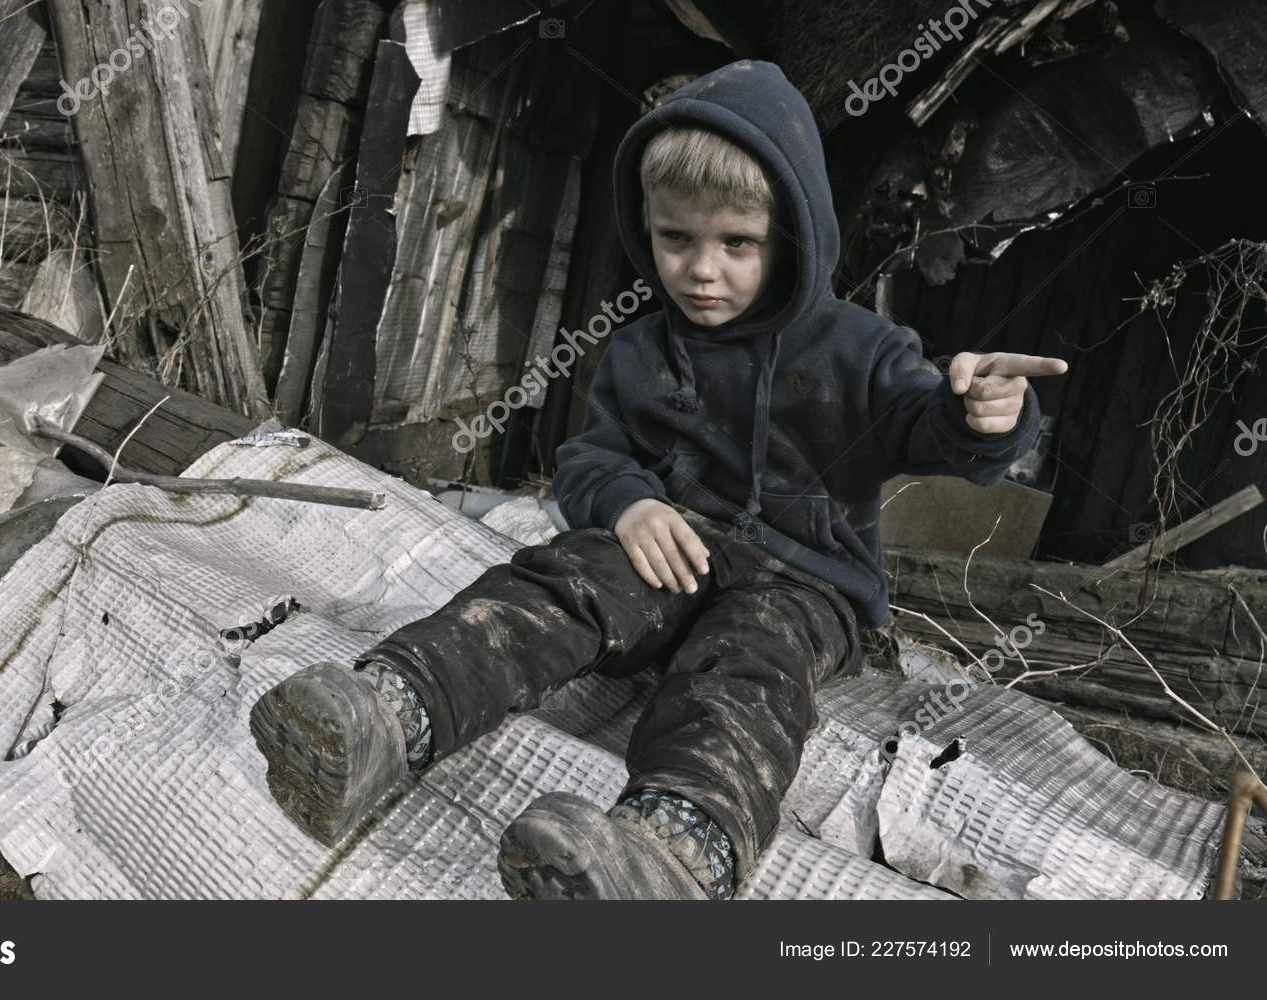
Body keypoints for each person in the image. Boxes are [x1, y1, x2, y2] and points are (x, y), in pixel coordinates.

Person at [248, 60, 1068, 899]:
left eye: (737, 243)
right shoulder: (642, 350)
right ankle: (389, 714)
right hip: (673, 550)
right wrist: (629, 503)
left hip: (808, 585)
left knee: (746, 668)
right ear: (647, 230)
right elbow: (591, 458)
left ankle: (673, 852)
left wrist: (987, 415)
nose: (701, 271)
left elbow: (934, 429)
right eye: (677, 239)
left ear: (793, 236)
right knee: (562, 581)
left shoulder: (863, 350)